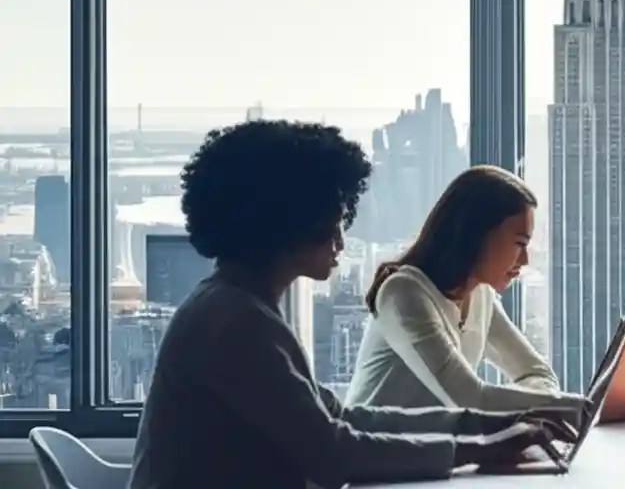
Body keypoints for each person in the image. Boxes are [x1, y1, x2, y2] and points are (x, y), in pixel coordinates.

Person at [130, 121, 574, 489]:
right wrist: (478, 448)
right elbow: (332, 451)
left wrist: (489, 426)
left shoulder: (238, 307)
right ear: (290, 220)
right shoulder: (235, 322)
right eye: (334, 219)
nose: (342, 239)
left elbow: (343, 416)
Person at [347, 165, 586, 416]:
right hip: (373, 442)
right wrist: (573, 407)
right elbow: (470, 400)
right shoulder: (403, 293)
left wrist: (543, 406)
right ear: (477, 233)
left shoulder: (480, 296)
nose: (525, 260)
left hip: (437, 440)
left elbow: (537, 373)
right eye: (520, 243)